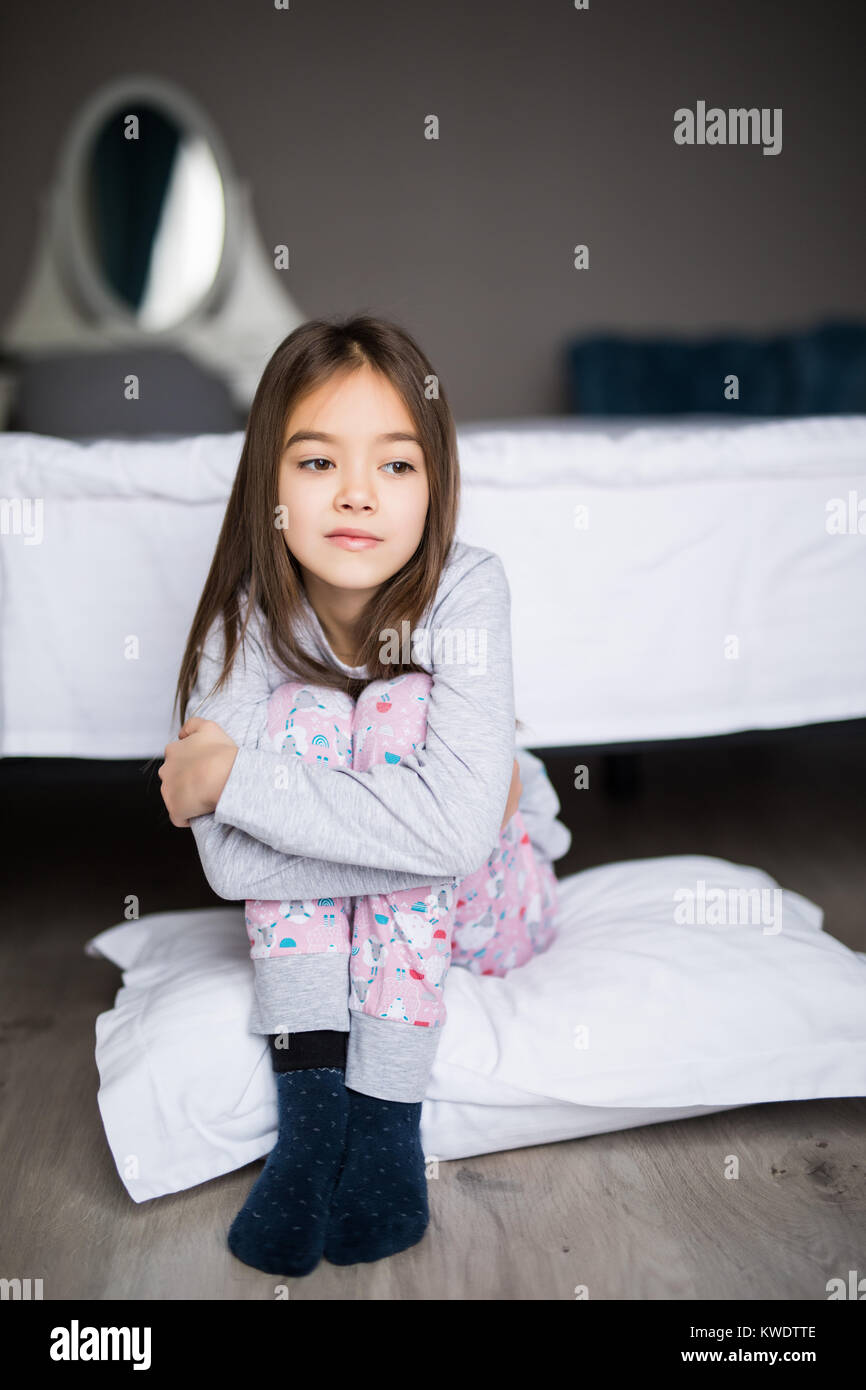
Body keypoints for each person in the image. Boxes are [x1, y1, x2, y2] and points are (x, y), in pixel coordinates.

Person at [158, 314, 570, 1277]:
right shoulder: (245, 619)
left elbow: (464, 839)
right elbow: (224, 865)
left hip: (490, 909)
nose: (355, 494)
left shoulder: (468, 591)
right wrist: (406, 824)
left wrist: (238, 780)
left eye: (395, 466)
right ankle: (312, 1127)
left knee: (394, 711)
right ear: (269, 485)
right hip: (371, 894)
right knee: (307, 717)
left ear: (435, 486)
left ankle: (385, 1126)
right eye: (315, 464)